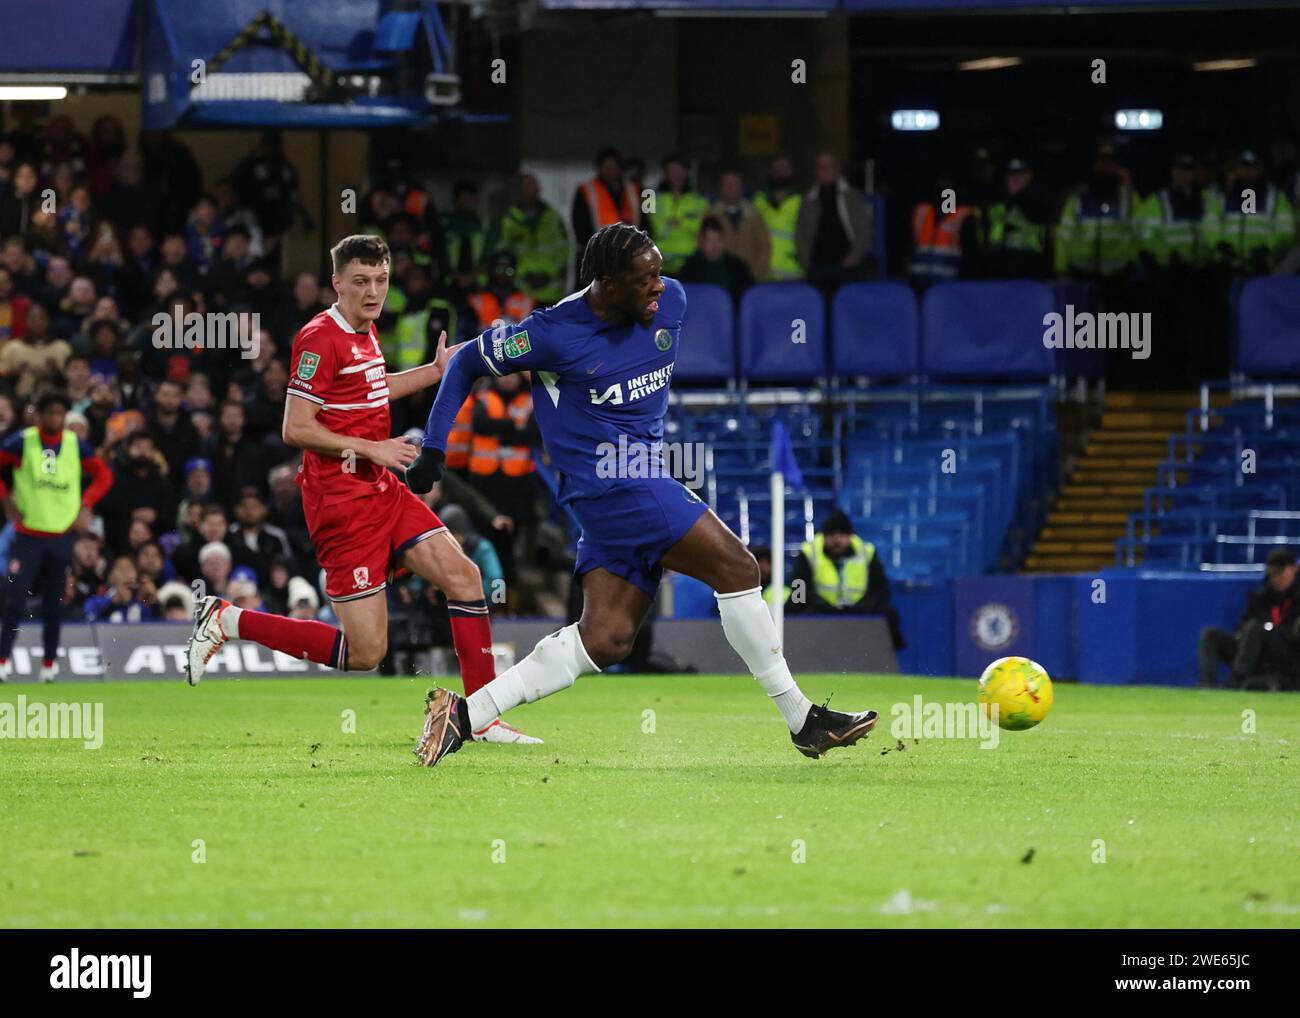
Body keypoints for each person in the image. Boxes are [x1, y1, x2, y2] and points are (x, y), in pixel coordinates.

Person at [406, 223, 879, 767]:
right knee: (739, 566)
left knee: (605, 639)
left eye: (658, 272)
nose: (659, 286)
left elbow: (654, 309)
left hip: (632, 484)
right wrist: (435, 450)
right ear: (607, 285)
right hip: (613, 485)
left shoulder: (670, 302)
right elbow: (467, 362)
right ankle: (803, 719)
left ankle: (461, 717)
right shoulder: (554, 333)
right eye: (644, 278)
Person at [184, 234, 540, 745]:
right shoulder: (318, 337)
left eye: (381, 280)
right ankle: (227, 619)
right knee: (366, 653)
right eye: (361, 282)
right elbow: (295, 427)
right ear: (337, 284)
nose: (373, 291)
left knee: (464, 577)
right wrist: (372, 449)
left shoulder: (367, 331)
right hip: (340, 506)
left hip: (382, 491)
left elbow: (374, 387)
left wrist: (434, 373)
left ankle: (481, 718)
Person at [0, 391, 115, 682]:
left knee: (55, 602)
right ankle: (3, 661)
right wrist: (6, 500)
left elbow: (104, 475)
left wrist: (86, 503)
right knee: (14, 600)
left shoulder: (76, 445)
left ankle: (49, 665)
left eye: (59, 413)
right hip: (27, 535)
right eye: (49, 413)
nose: (55, 418)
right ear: (39, 415)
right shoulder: (23, 441)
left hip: (61, 536)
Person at [786, 509, 905, 651]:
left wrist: (864, 605)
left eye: (842, 535)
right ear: (824, 536)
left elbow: (881, 589)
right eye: (831, 535)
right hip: (821, 611)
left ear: (850, 536)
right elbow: (799, 592)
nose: (837, 540)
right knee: (793, 611)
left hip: (859, 610)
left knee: (890, 615)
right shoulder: (809, 552)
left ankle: (885, 661)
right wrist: (822, 605)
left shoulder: (867, 552)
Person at [1198, 547, 1300, 691]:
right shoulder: (1262, 596)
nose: (1275, 579)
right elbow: (1243, 624)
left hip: (1286, 658)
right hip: (1255, 654)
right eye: (1272, 574)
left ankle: (1236, 682)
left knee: (1256, 627)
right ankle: (1206, 686)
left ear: (1293, 569)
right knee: (1209, 635)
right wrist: (1243, 633)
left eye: (1279, 573)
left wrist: (1268, 630)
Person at [795, 151, 875, 292]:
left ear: (838, 169)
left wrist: (852, 259)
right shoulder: (808, 199)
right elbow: (800, 233)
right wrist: (807, 261)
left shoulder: (852, 196)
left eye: (830, 166)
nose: (825, 171)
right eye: (821, 167)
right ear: (816, 171)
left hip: (846, 268)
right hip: (816, 268)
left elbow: (865, 231)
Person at [496, 173, 570, 305]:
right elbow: (504, 253)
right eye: (524, 187)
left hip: (550, 291)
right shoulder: (510, 220)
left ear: (538, 189)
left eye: (530, 186)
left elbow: (564, 251)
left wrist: (549, 276)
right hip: (521, 292)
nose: (527, 191)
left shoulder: (552, 217)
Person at [645, 154, 710, 276]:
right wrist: (686, 223)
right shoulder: (649, 197)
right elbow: (656, 228)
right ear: (665, 174)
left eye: (680, 171)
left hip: (692, 264)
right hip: (660, 264)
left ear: (686, 173)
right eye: (672, 171)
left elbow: (700, 227)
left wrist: (677, 223)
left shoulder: (700, 200)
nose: (677, 176)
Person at [710, 168, 771, 282]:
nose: (731, 187)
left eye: (735, 183)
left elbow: (764, 247)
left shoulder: (754, 215)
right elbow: (704, 249)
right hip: (720, 282)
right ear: (721, 188)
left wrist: (753, 277)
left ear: (742, 187)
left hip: (750, 280)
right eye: (727, 184)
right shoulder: (711, 215)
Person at [678, 215, 755, 301]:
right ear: (701, 242)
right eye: (710, 241)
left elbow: (749, 298)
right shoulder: (690, 268)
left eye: (718, 240)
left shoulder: (738, 267)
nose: (715, 246)